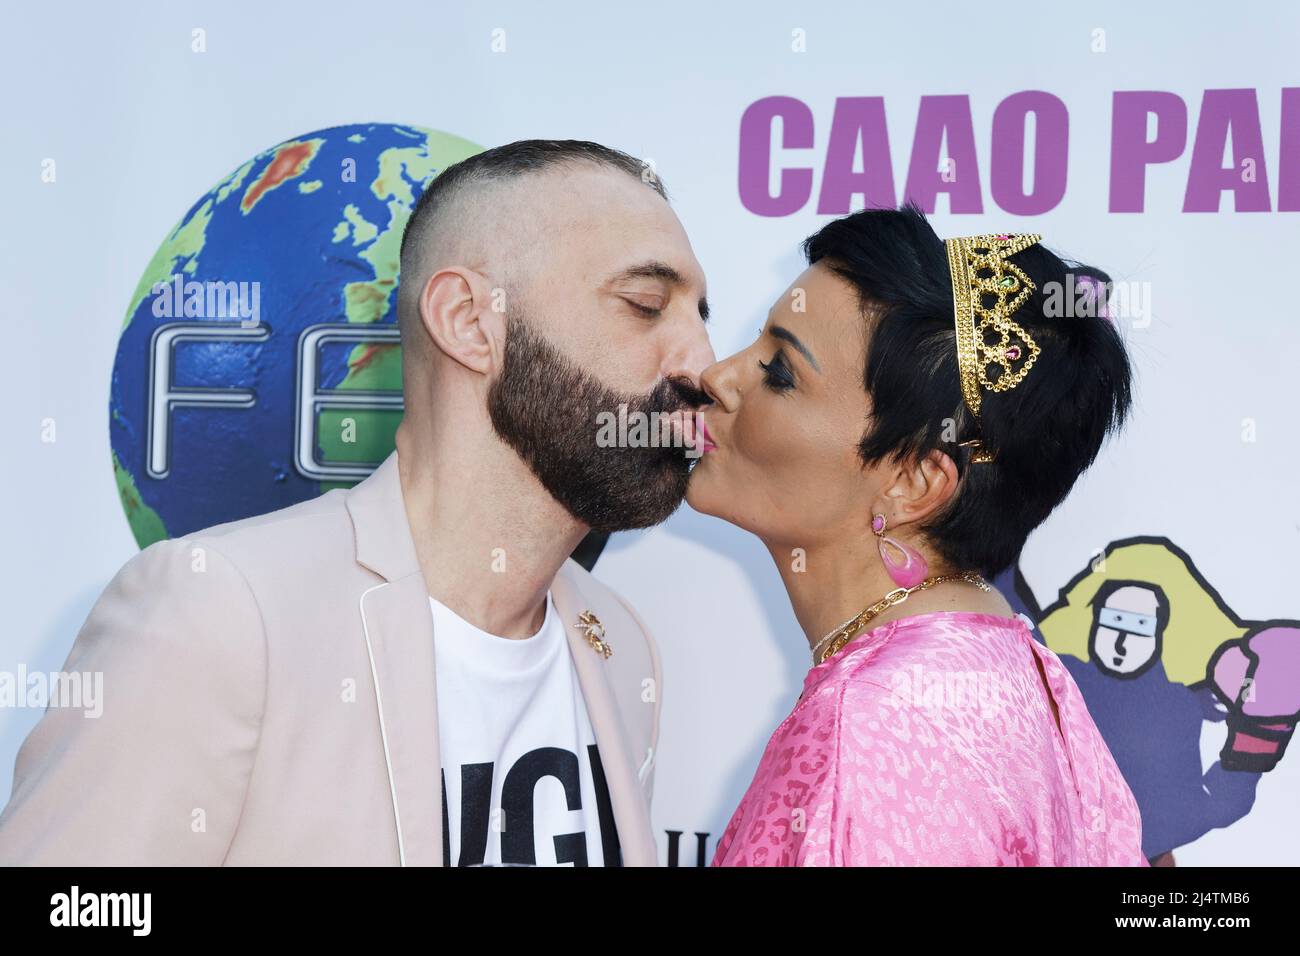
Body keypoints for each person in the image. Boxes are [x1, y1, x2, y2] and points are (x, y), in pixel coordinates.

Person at [0, 140, 714, 866]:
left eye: (700, 314)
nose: (702, 361)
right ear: (469, 320)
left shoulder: (620, 644)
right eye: (646, 305)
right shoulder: (224, 613)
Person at [691, 204, 1147, 866]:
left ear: (913, 480)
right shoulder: (1017, 668)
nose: (718, 377)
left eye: (781, 372)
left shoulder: (868, 726)